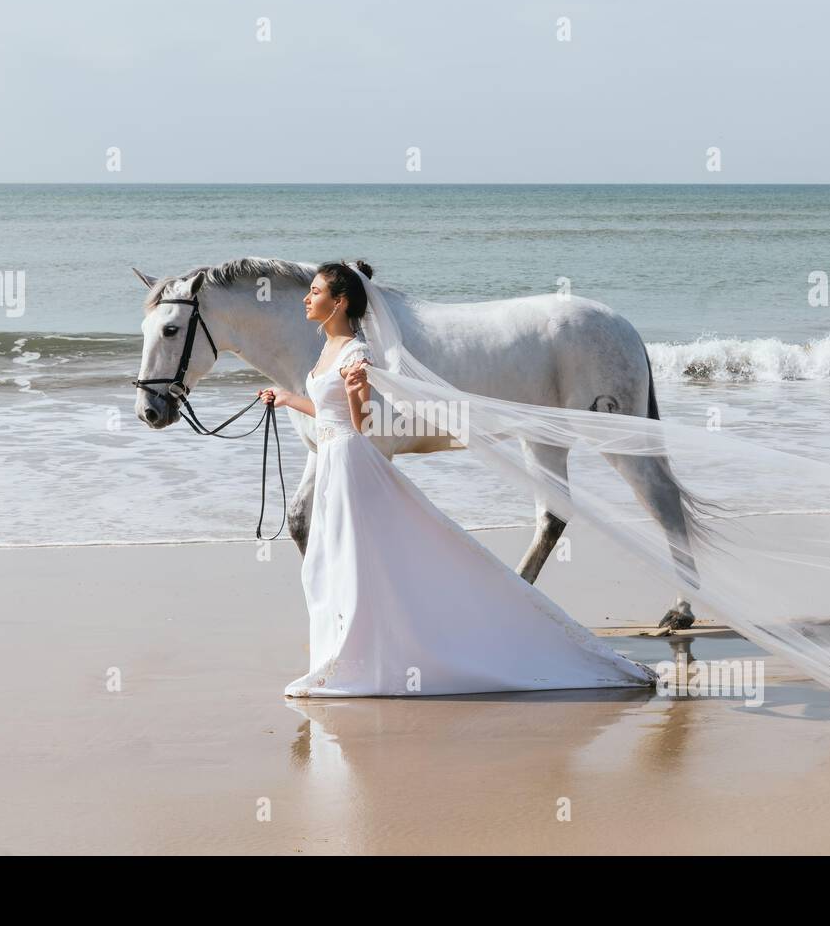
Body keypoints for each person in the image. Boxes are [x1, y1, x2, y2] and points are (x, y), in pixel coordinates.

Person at [257, 260, 658, 697]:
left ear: (339, 303)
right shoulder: (326, 350)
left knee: (360, 557)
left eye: (315, 292)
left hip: (352, 462)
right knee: (329, 559)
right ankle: (343, 651)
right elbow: (325, 413)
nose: (306, 298)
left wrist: (357, 392)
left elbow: (363, 424)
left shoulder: (356, 353)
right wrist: (287, 398)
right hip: (335, 461)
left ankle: (369, 654)